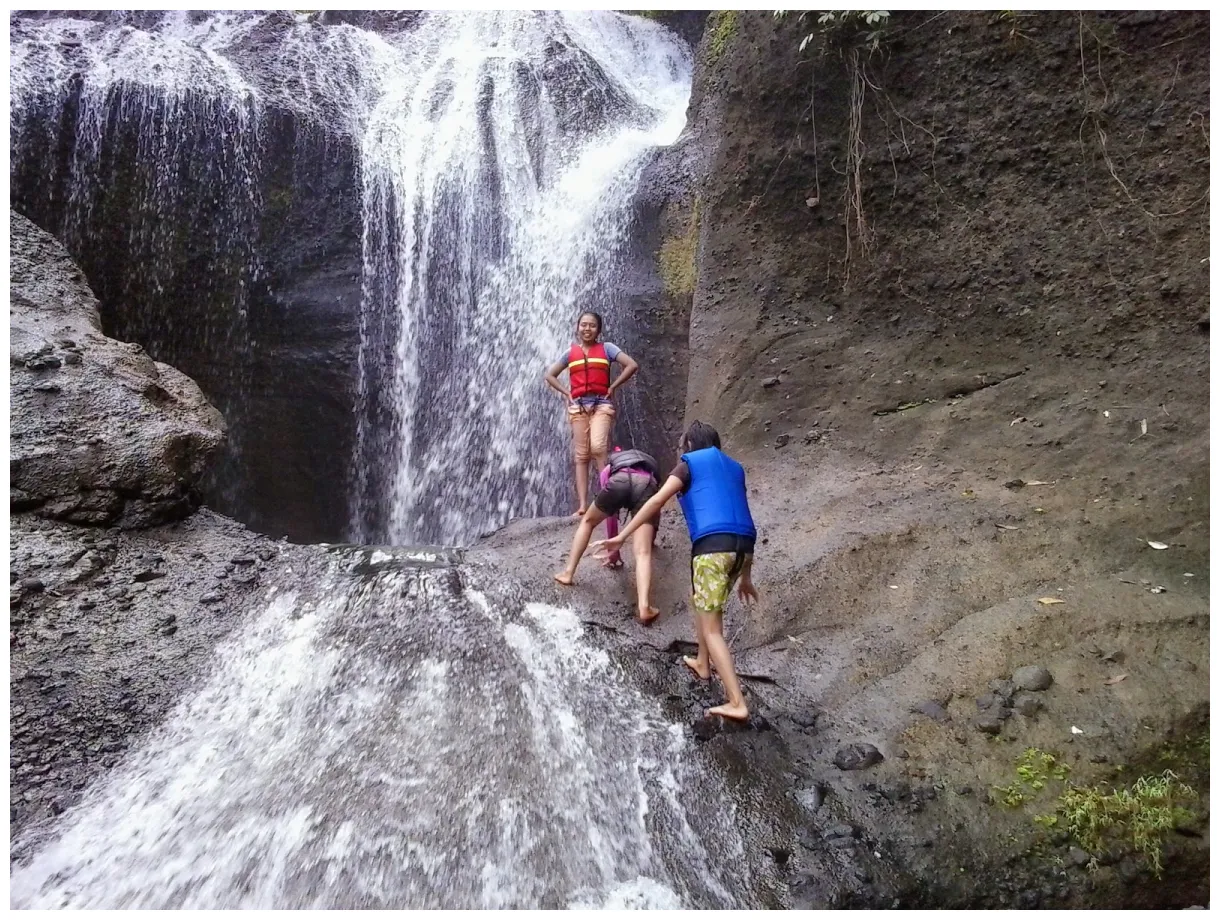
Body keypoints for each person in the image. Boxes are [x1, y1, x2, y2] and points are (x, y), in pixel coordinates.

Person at [591, 421, 757, 721]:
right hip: (742, 548)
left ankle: (737, 701)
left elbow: (656, 500)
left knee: (712, 628)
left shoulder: (687, 465)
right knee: (701, 600)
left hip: (713, 550)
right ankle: (703, 663)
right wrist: (746, 576)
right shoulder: (734, 468)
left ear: (690, 446)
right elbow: (740, 512)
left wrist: (622, 536)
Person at [544, 312, 639, 517]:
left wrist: (613, 386)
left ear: (599, 329)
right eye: (584, 325)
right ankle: (582, 506)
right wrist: (566, 393)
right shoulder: (570, 353)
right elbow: (550, 375)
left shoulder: (608, 349)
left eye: (592, 325)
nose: (587, 329)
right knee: (581, 455)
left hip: (601, 404)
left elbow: (631, 364)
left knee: (598, 446)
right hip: (578, 406)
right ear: (577, 327)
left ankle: (608, 498)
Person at [553, 447, 662, 625]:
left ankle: (568, 573)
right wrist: (650, 541)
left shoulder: (610, 468)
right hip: (646, 484)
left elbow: (611, 515)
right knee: (643, 552)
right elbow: (655, 513)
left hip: (619, 482)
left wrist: (614, 552)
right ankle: (644, 607)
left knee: (588, 521)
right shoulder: (650, 465)